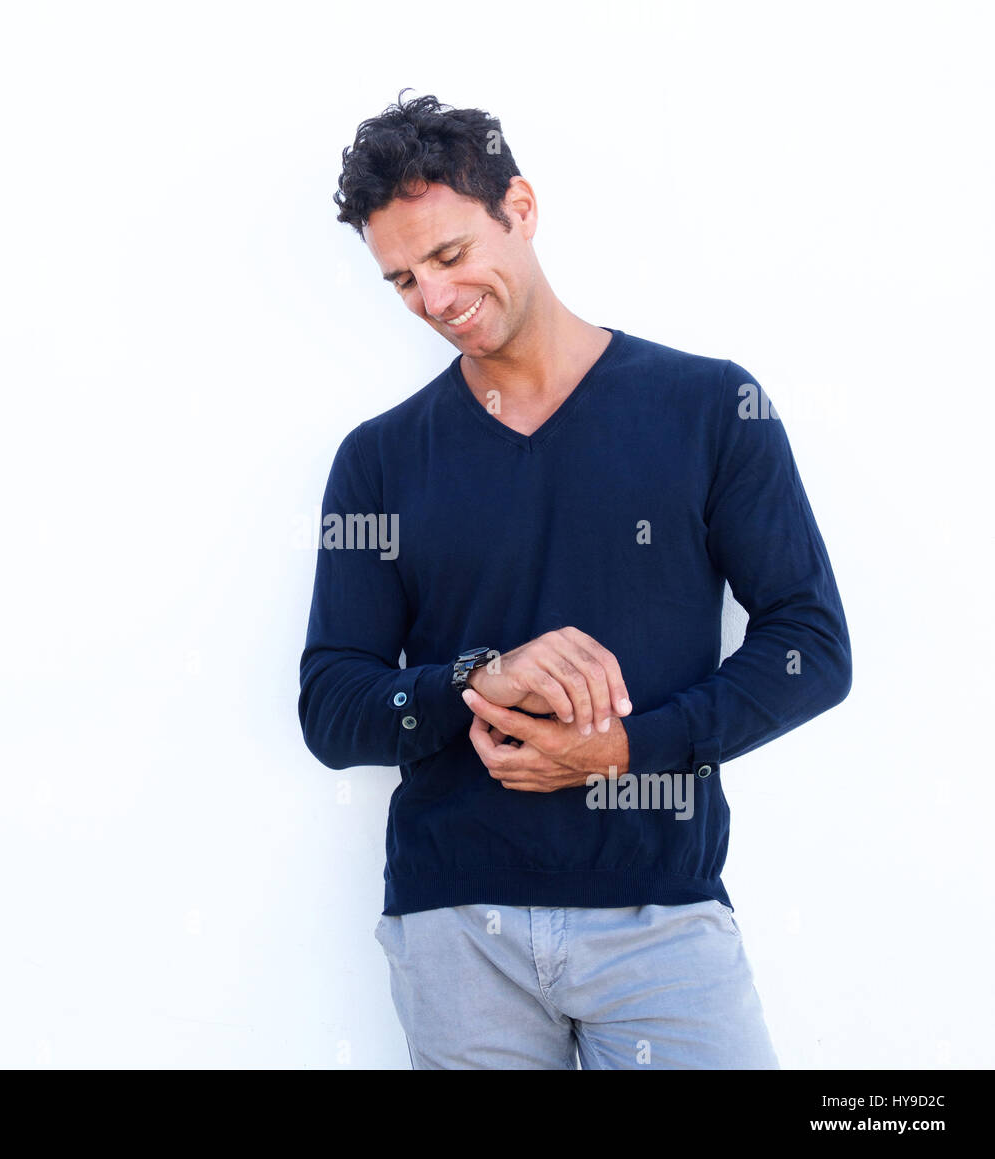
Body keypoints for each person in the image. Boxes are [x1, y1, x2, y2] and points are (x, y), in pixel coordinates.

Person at [297, 91, 852, 1069]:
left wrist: (625, 750)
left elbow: (810, 646)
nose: (433, 299)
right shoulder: (377, 460)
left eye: (450, 256)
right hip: (456, 930)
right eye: (401, 280)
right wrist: (474, 677)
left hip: (661, 917)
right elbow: (331, 707)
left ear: (519, 205)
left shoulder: (710, 408)